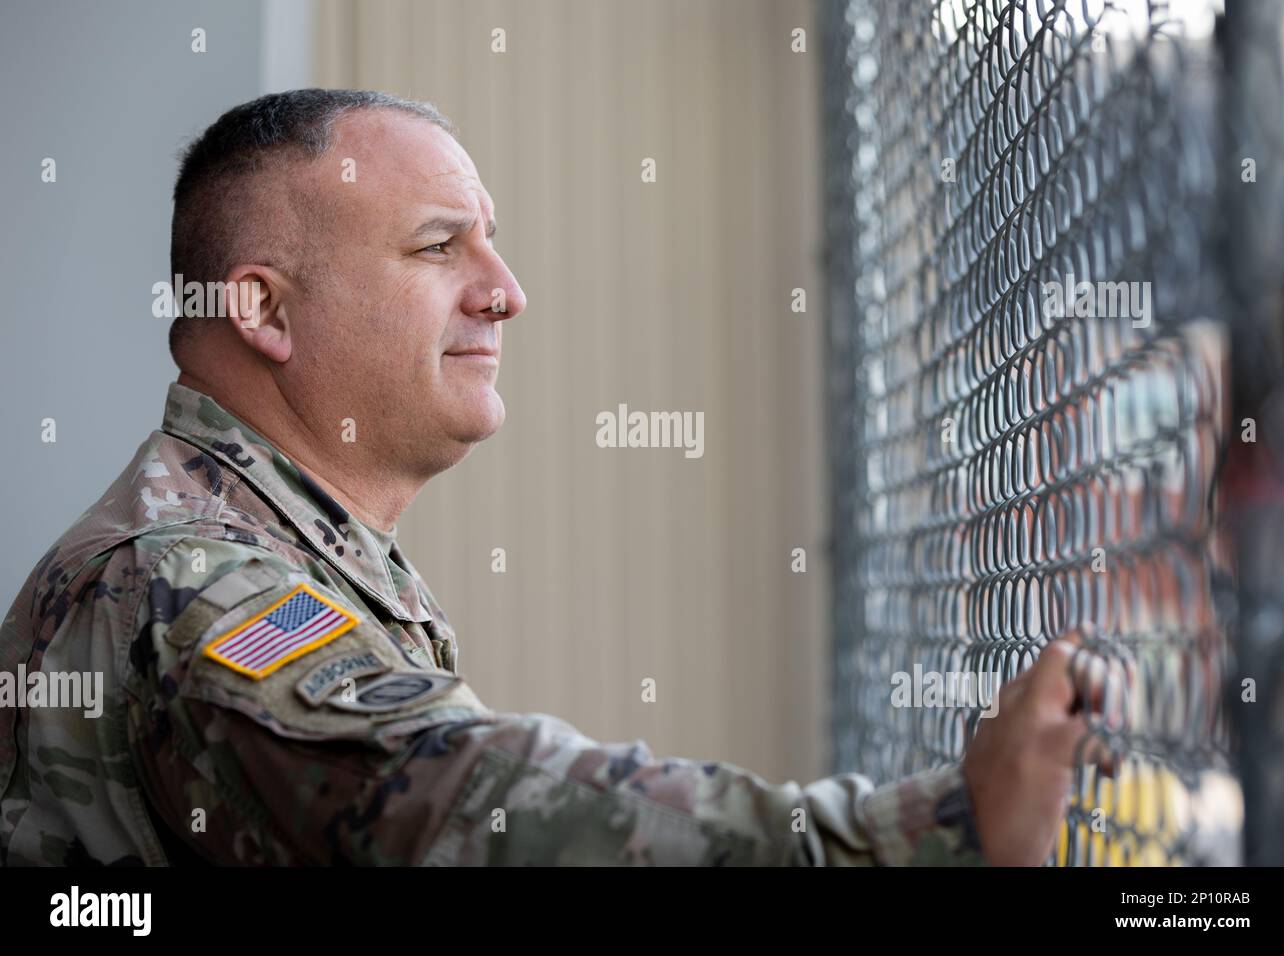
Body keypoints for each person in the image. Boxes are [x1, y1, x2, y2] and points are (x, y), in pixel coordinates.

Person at [0, 89, 1112, 866]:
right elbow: (457, 800)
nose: (505, 290)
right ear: (263, 310)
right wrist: (916, 833)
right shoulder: (184, 578)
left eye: (490, 243)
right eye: (439, 248)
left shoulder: (268, 537)